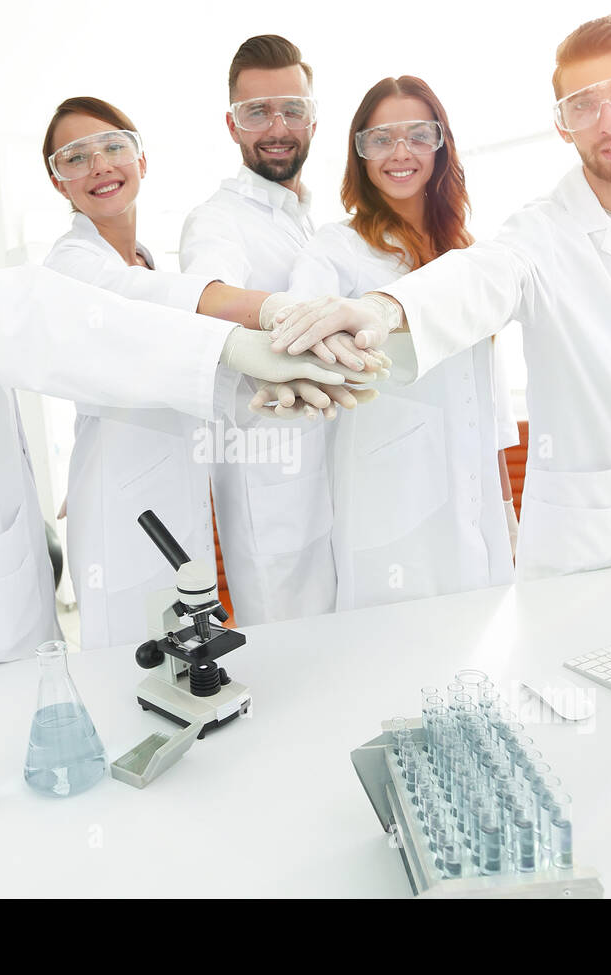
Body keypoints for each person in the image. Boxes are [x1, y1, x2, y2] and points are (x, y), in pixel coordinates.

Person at [0, 41, 356, 675]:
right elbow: (47, 319)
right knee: (117, 685)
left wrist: (254, 366)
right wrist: (246, 332)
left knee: (157, 673)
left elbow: (116, 319)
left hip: (30, 543)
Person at [271, 15, 611, 581]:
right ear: (563, 125)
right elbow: (474, 278)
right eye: (584, 104)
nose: (609, 120)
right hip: (590, 543)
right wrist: (380, 307)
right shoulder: (541, 232)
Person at [39, 97, 375, 648]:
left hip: (177, 498)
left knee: (189, 662)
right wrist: (264, 313)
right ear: (59, 182)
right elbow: (143, 304)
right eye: (75, 157)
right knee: (133, 669)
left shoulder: (145, 259)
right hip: (122, 509)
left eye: (113, 147)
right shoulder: (73, 264)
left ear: (141, 161)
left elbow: (183, 362)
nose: (99, 165)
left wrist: (275, 376)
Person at [287, 76, 519, 609]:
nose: (401, 153)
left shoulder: (466, 253)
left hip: (474, 499)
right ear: (360, 153)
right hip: (387, 506)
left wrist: (505, 506)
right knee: (394, 663)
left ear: (441, 145)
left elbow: (488, 394)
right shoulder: (337, 250)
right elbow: (300, 327)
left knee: (480, 656)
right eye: (381, 138)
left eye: (418, 135)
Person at [180, 34, 364, 625]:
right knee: (294, 658)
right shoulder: (219, 218)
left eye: (292, 109)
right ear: (232, 125)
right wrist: (290, 313)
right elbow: (208, 298)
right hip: (273, 483)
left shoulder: (317, 223)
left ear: (314, 119)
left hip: (338, 475)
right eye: (257, 112)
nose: (276, 126)